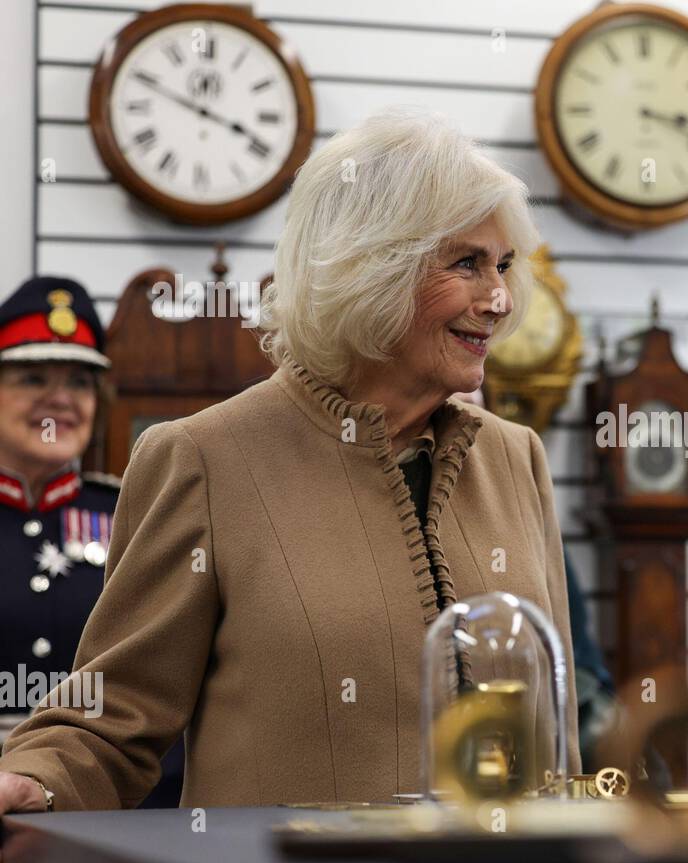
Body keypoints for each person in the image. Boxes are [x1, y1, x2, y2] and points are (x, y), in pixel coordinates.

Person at [0, 108, 579, 814]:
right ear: (370, 270)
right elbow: (114, 718)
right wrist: (39, 777)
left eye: (504, 266)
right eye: (467, 263)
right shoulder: (203, 461)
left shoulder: (516, 459)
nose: (500, 299)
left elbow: (560, 737)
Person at [0, 276, 181, 808]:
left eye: (79, 383)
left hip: (113, 805)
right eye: (33, 378)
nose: (59, 399)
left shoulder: (135, 513)